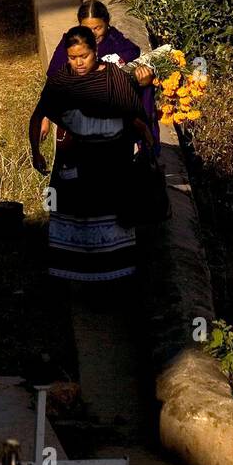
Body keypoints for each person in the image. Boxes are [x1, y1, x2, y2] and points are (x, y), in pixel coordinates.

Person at [29, 25, 152, 282]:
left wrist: (147, 142)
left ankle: (112, 283)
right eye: (73, 58)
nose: (78, 63)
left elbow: (134, 116)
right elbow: (40, 112)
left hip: (109, 167)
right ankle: (74, 281)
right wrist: (35, 151)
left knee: (109, 225)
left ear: (95, 51)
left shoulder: (113, 78)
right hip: (74, 165)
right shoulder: (62, 80)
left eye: (83, 56)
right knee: (75, 223)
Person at [45, 0, 160, 152]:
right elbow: (54, 78)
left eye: (97, 28)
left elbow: (132, 54)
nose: (92, 34)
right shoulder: (70, 42)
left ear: (107, 24)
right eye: (86, 28)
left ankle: (143, 146)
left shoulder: (116, 41)